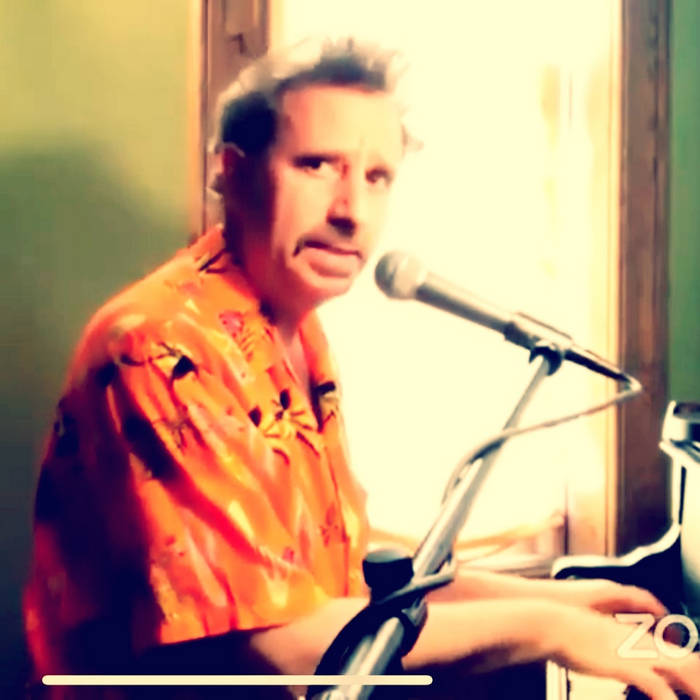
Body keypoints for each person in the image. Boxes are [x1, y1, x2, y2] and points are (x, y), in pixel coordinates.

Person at [24, 38, 700, 699]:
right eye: (318, 165)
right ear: (232, 172)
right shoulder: (163, 347)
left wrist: (555, 599)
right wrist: (550, 629)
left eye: (377, 178)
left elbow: (334, 577)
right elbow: (279, 646)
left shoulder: (291, 326)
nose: (351, 213)